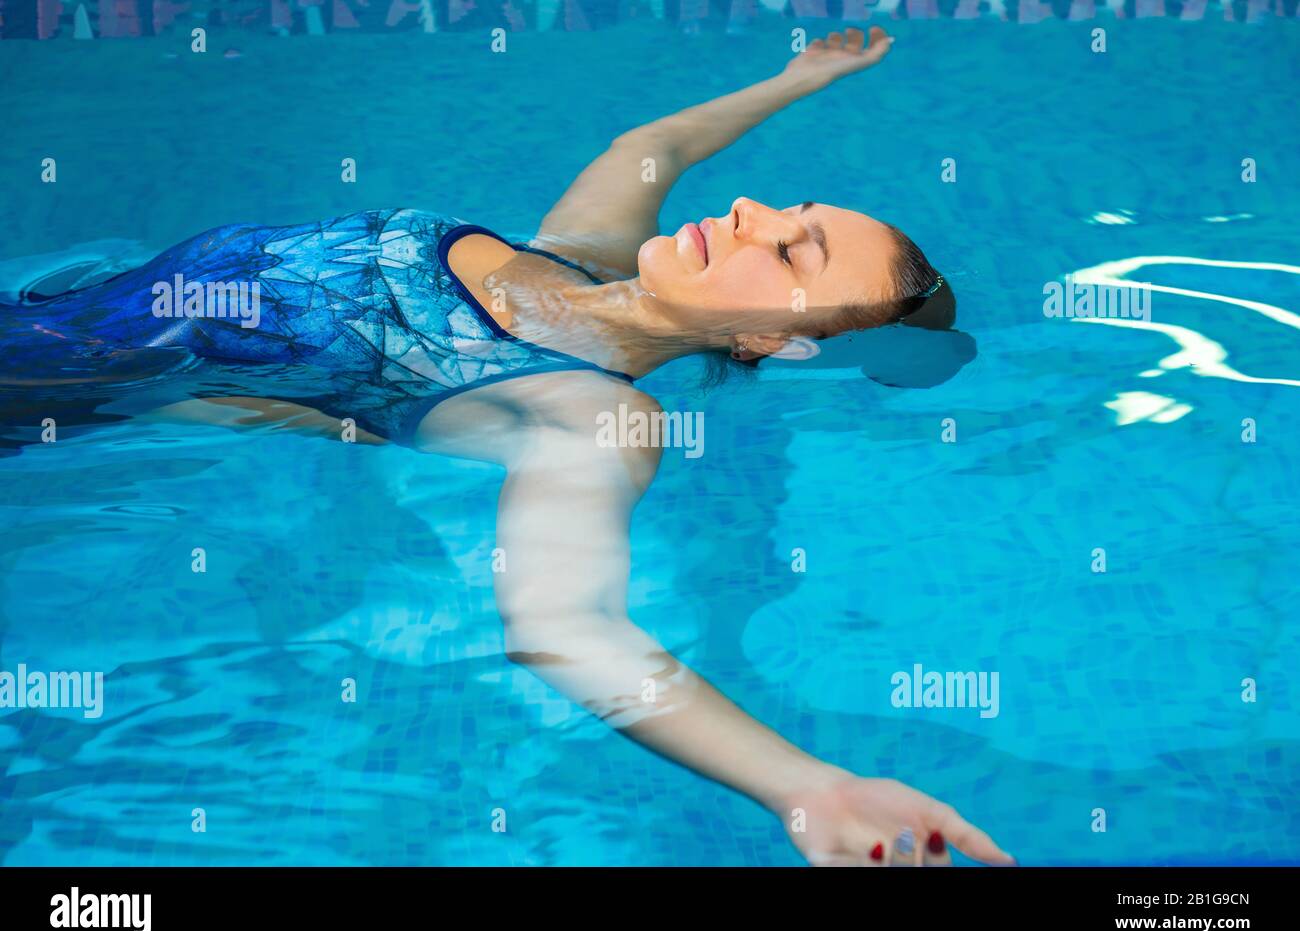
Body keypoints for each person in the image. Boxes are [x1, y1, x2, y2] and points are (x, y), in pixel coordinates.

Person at [1, 25, 1006, 866]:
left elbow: (565, 625)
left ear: (770, 344)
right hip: (56, 311)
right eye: (789, 209)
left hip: (40, 385)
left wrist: (803, 786)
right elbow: (651, 146)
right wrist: (797, 78)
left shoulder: (590, 412)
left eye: (791, 250)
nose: (752, 214)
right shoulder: (579, 256)